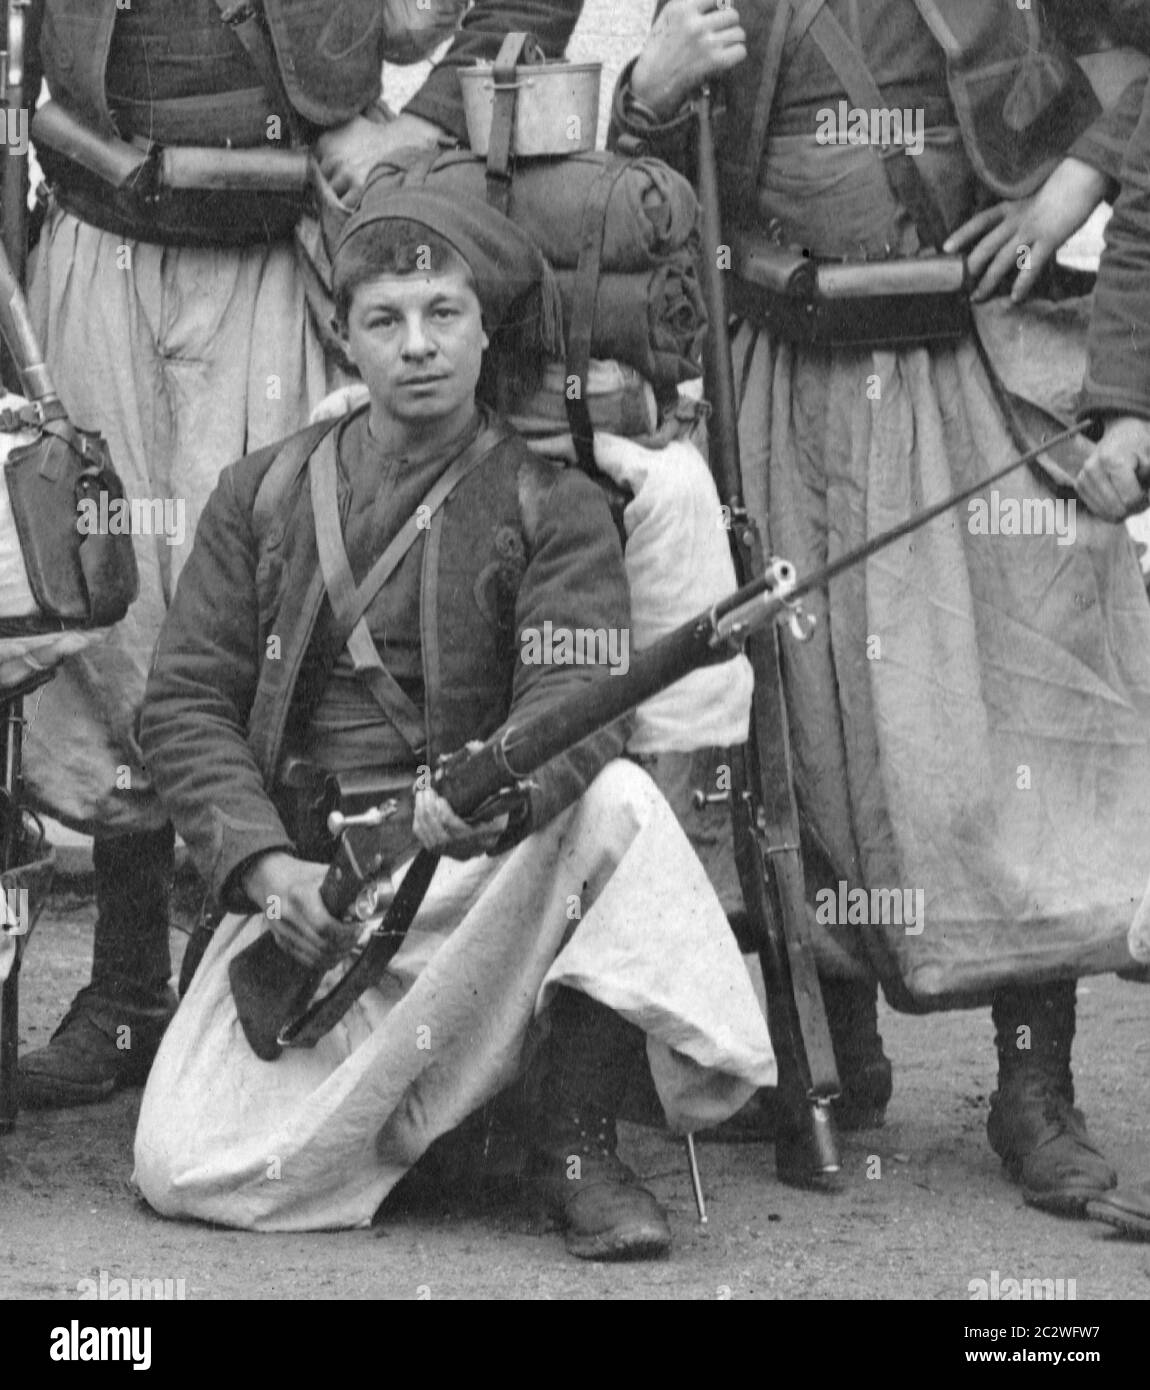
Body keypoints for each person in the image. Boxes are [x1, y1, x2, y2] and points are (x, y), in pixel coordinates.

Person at [130, 182, 774, 1257]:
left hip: (482, 875)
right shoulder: (259, 495)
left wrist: (498, 804)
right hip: (317, 895)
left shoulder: (552, 503)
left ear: (486, 331)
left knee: (618, 804)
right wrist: (265, 872)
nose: (416, 346)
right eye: (384, 319)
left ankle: (573, 1142)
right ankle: (456, 1135)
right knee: (184, 1166)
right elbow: (186, 704)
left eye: (443, 315)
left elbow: (573, 712)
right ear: (344, 336)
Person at [611, 0, 1150, 1216]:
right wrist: (644, 95)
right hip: (777, 380)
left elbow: (1139, 75)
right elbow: (635, 199)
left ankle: (1032, 1082)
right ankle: (827, 1047)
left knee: (1001, 733)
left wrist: (1074, 179)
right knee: (802, 724)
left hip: (964, 367)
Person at [13, 0, 589, 1110]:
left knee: (271, 610)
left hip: (277, 256)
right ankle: (127, 985)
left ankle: (257, 947)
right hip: (92, 246)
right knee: (99, 613)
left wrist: (418, 117)